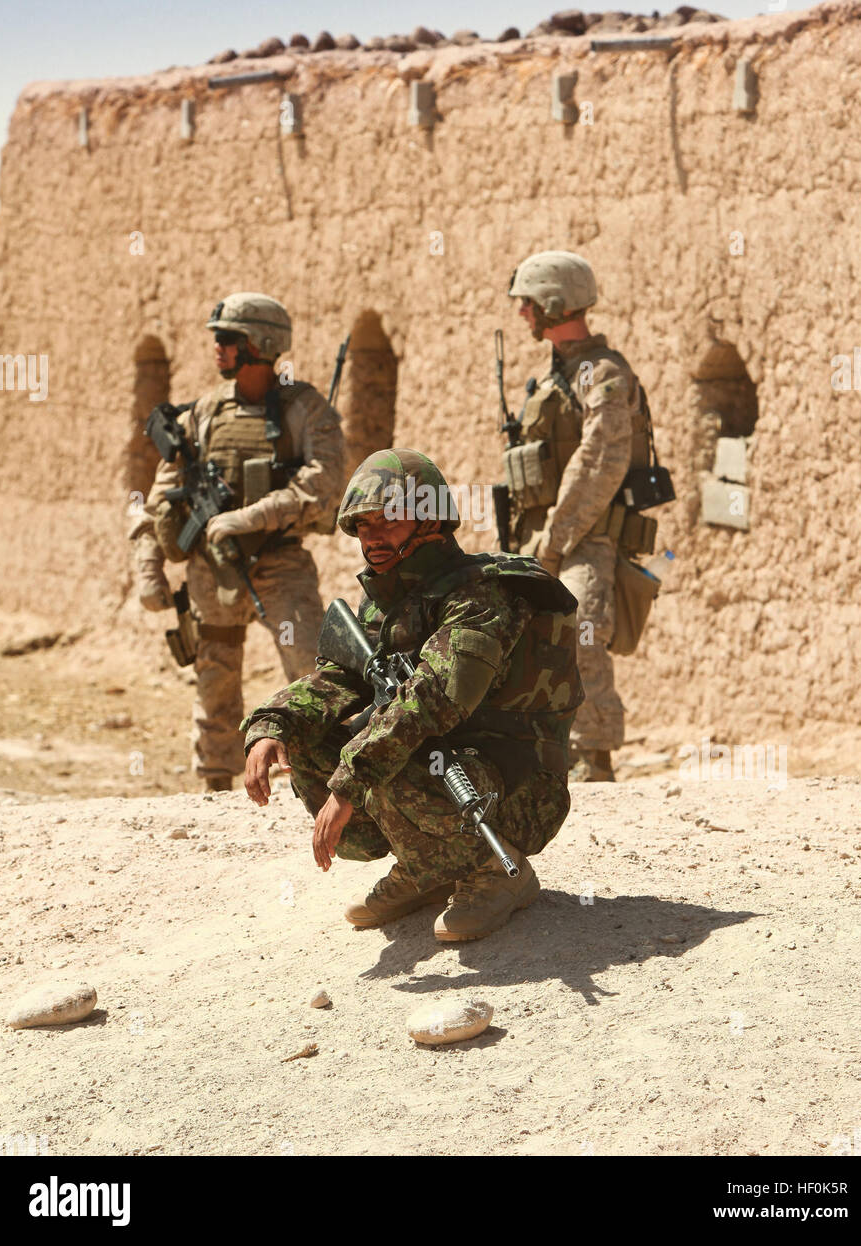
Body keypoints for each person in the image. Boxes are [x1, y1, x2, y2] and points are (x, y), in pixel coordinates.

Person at [241, 448, 583, 941]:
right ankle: (429, 868)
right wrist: (273, 724)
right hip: (453, 760)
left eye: (388, 520)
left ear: (430, 522)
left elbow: (430, 701)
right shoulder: (390, 597)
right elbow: (339, 678)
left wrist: (350, 780)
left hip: (520, 785)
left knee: (391, 755)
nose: (372, 537)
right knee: (316, 741)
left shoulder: (484, 597)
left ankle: (496, 873)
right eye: (362, 525)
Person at [130, 292, 345, 791]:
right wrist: (148, 567)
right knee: (215, 677)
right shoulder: (204, 412)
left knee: (311, 671)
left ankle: (321, 782)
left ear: (262, 344)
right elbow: (161, 496)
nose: (217, 347)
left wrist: (248, 518)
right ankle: (215, 786)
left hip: (280, 563)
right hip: (213, 570)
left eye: (228, 338)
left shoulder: (304, 407)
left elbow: (325, 482)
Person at [503, 250, 656, 782]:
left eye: (527, 304)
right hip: (541, 535)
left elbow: (598, 465)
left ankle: (594, 758)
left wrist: (552, 542)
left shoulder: (605, 373)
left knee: (580, 628)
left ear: (552, 303)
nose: (522, 314)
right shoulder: (552, 376)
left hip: (585, 536)